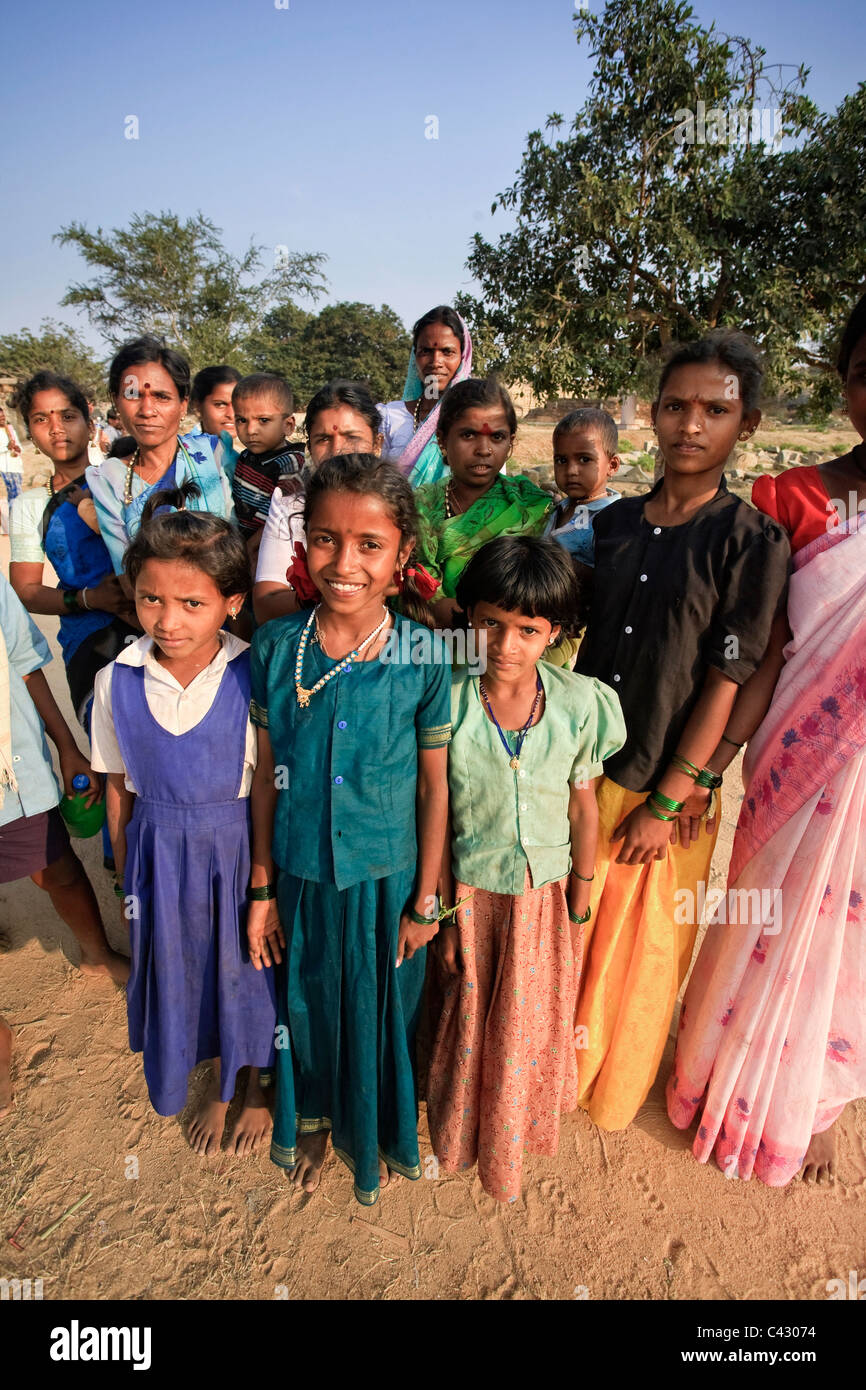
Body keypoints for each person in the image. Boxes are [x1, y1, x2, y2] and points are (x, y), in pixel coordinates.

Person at [667, 294, 866, 1186]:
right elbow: (764, 645)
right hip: (794, 761)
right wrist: (706, 769)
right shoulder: (796, 496)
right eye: (864, 375)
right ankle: (718, 1073)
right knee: (764, 915)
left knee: (850, 940)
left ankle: (811, 1096)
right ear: (842, 385)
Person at [573, 330, 791, 1132]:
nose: (690, 425)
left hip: (664, 781)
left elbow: (730, 674)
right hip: (586, 766)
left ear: (749, 423)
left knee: (640, 954)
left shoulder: (750, 539)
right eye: (674, 406)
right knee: (574, 927)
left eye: (715, 410)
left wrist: (675, 795)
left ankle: (604, 1085)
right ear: (652, 414)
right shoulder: (616, 522)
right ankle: (550, 1070)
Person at [247, 453, 450, 1203]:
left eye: (370, 545)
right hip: (299, 873)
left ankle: (371, 1137)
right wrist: (262, 887)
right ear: (303, 545)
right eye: (327, 539)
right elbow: (267, 778)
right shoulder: (274, 648)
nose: (346, 562)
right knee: (306, 1004)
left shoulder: (425, 655)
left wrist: (425, 902)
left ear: (402, 556)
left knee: (378, 1010)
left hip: (384, 880)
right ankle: (317, 1122)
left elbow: (435, 790)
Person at [427, 536, 625, 1202]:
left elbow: (583, 804)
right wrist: (447, 914)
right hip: (472, 895)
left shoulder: (579, 705)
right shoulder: (448, 700)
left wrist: (583, 888)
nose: (506, 644)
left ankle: (513, 1139)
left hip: (543, 897)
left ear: (558, 634)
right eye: (491, 623)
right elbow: (439, 806)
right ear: (469, 619)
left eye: (528, 630)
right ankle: (460, 1134)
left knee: (526, 1020)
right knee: (470, 1007)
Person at [89, 482, 277, 1155]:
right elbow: (119, 789)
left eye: (192, 603)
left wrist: (264, 883)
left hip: (234, 852)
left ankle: (246, 1084)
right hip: (158, 857)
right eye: (151, 600)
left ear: (231, 603)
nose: (168, 620)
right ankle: (199, 1071)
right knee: (178, 969)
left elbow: (267, 789)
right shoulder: (117, 681)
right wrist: (125, 877)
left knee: (244, 970)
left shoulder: (254, 675)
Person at [0, 573, 129, 987]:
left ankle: (96, 954)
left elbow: (24, 665)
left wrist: (68, 749)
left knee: (57, 869)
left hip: (11, 769)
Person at [10, 372, 138, 732]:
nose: (56, 429)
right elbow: (26, 591)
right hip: (89, 640)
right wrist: (88, 599)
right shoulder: (32, 506)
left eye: (67, 416)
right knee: (112, 742)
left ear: (88, 418)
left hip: (152, 624)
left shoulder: (124, 477)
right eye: (41, 419)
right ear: (30, 433)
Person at [85, 336, 234, 579]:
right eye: (132, 395)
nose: (146, 411)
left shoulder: (213, 454)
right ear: (116, 401)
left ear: (183, 404)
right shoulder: (108, 480)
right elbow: (127, 575)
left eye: (161, 396)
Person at [413, 377, 553, 628]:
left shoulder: (529, 506)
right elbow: (411, 585)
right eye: (468, 435)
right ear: (442, 439)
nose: (484, 450)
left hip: (508, 647)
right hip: (427, 648)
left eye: (497, 437)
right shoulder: (419, 505)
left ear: (511, 440)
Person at [252, 380, 384, 625]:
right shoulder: (290, 505)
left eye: (351, 437)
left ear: (377, 444)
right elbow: (265, 605)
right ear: (310, 448)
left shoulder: (394, 504)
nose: (337, 450)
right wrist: (345, 592)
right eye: (323, 439)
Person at [378, 305, 472, 487]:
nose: (436, 362)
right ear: (415, 357)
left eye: (447, 352)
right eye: (426, 351)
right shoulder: (390, 417)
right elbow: (373, 486)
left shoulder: (476, 420)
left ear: (463, 357)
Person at [230, 372, 303, 564]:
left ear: (288, 425)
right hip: (242, 542)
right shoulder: (247, 455)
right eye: (242, 420)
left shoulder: (289, 463)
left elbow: (280, 516)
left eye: (263, 420)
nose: (251, 430)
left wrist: (249, 549)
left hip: (270, 547)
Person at [544, 408, 621, 566]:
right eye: (561, 460)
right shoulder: (556, 508)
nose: (571, 471)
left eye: (585, 459)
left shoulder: (613, 519)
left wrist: (553, 563)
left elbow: (610, 576)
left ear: (612, 466)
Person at [189, 364, 241, 447]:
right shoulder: (182, 455)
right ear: (197, 406)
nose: (231, 415)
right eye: (220, 405)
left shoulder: (245, 457)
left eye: (237, 405)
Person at [0, 403, 24, 535]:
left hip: (16, 464)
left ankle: (15, 523)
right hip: (4, 466)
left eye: (3, 415)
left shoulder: (10, 428)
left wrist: (18, 448)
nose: (2, 418)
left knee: (17, 493)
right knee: (13, 493)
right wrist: (6, 448)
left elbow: (18, 444)